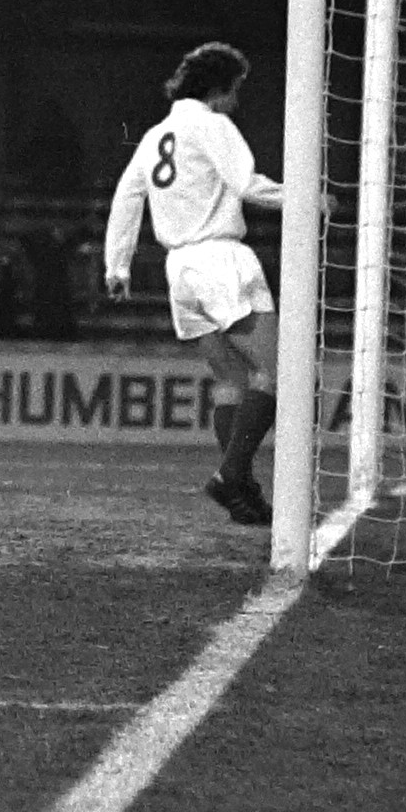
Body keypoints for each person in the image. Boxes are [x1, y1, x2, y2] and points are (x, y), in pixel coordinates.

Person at [104, 42, 289, 527]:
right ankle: (230, 474)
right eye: (236, 89)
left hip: (180, 270)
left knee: (231, 380)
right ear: (218, 87)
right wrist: (306, 198)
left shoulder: (155, 135)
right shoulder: (213, 125)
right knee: (278, 372)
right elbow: (246, 183)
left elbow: (127, 197)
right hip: (221, 258)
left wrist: (117, 267)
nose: (237, 99)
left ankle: (244, 492)